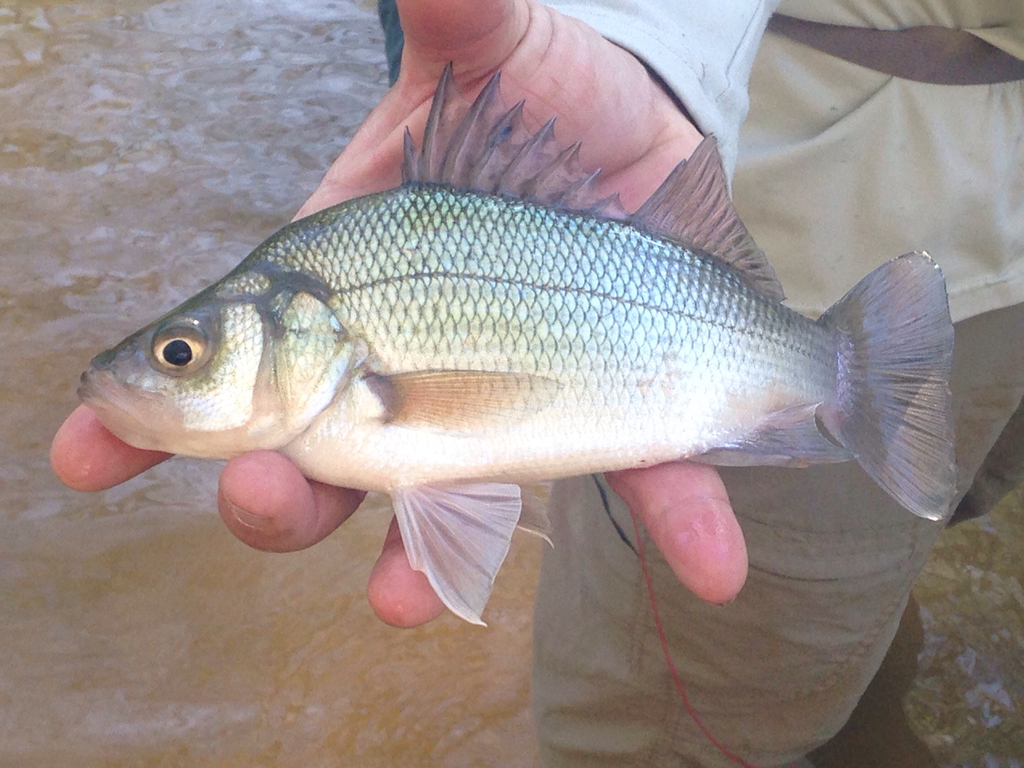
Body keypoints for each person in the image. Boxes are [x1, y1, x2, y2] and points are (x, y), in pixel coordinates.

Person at [51, 0, 1024, 765]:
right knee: (846, 586)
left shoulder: (354, 385)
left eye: (185, 355)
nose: (166, 368)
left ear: (313, 332)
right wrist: (648, 49)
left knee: (659, 731)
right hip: (913, 191)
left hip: (857, 184)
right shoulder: (344, 354)